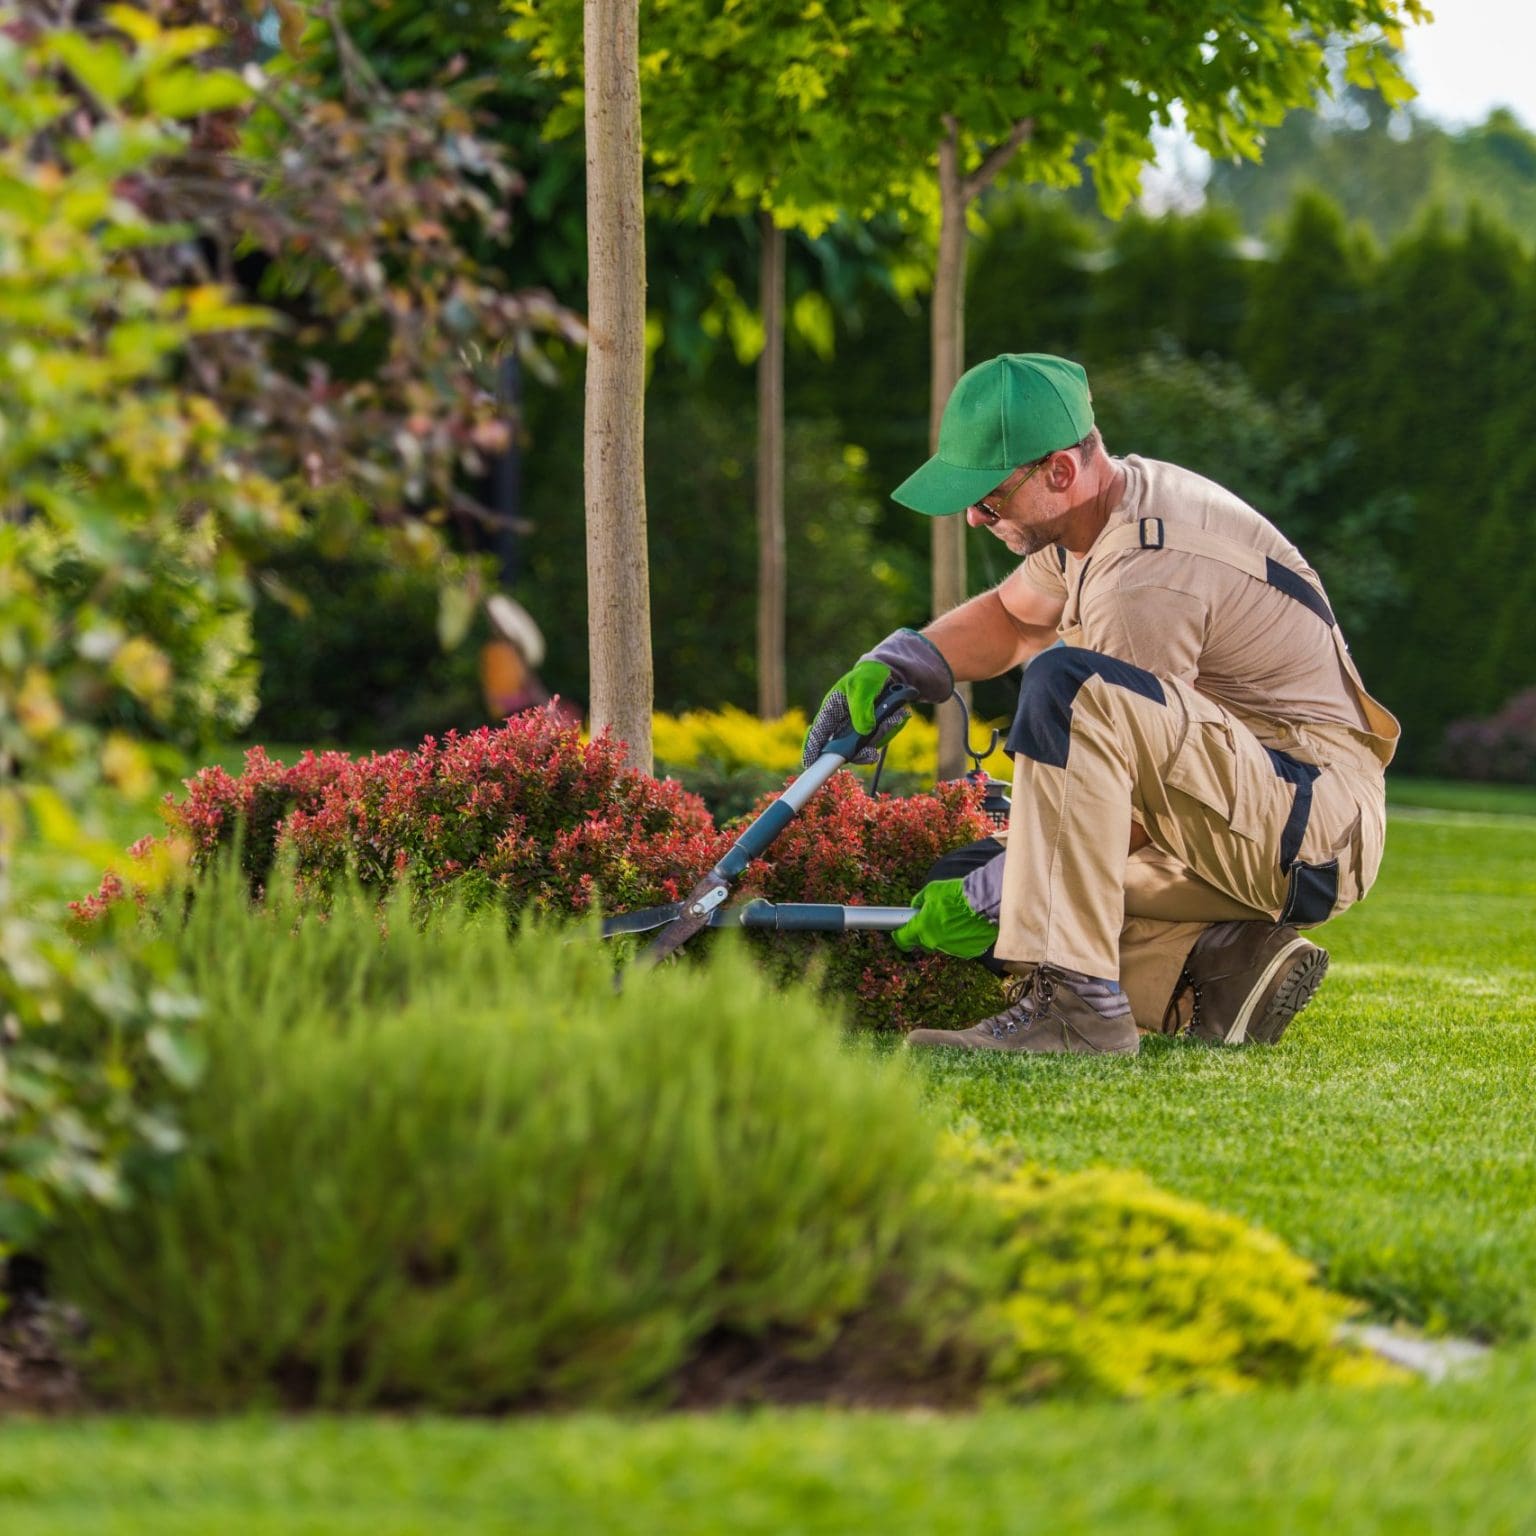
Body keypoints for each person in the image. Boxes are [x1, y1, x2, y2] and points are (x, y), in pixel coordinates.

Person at [803, 354, 1399, 1055]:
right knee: (974, 871)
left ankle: (1079, 1008)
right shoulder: (1094, 516)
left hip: (1307, 823)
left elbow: (1132, 806)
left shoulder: (1142, 579)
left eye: (990, 497)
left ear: (1059, 470)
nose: (973, 516)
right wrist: (904, 662)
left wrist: (1000, 896)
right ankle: (1224, 965)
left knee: (1066, 697)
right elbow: (1015, 617)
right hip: (1243, 805)